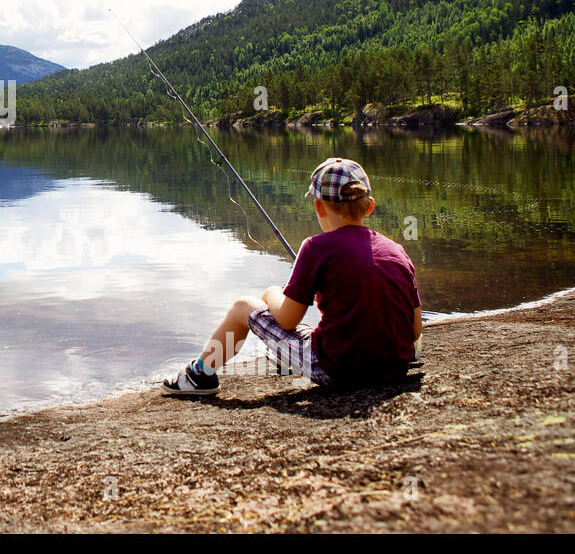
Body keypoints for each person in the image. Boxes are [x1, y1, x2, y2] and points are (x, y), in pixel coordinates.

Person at [163, 156, 422, 396]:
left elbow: (287, 320)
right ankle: (282, 358)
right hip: (393, 368)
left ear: (319, 207)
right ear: (370, 207)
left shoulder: (315, 247)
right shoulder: (397, 250)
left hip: (337, 370)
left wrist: (271, 294)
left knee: (243, 307)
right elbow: (415, 329)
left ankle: (198, 376)